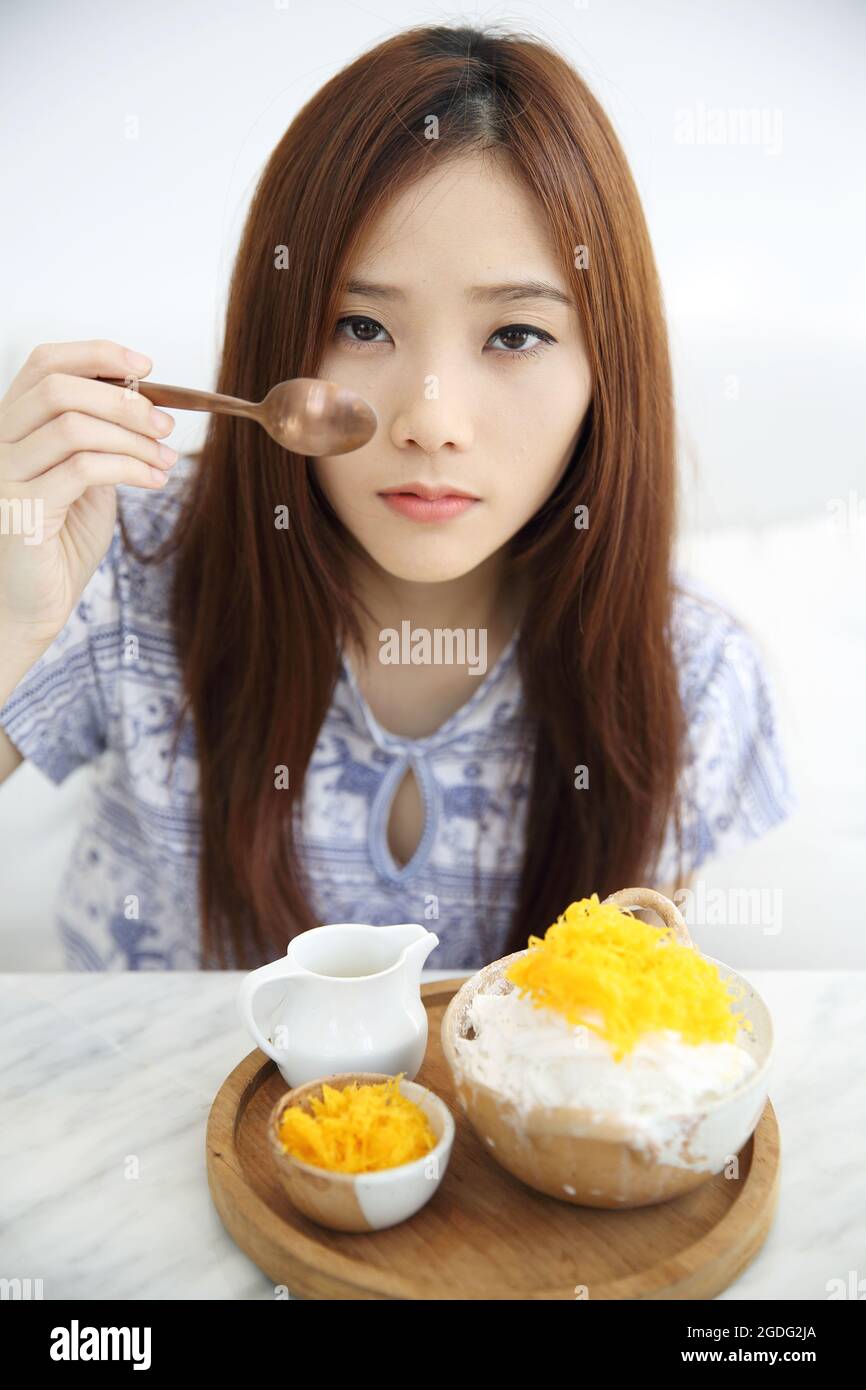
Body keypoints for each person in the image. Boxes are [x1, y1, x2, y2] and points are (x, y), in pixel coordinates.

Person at [0, 24, 794, 971]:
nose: (431, 422)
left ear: (607, 367)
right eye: (362, 324)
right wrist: (11, 619)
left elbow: (617, 1051)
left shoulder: (690, 679)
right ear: (279, 335)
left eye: (513, 337)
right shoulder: (123, 556)